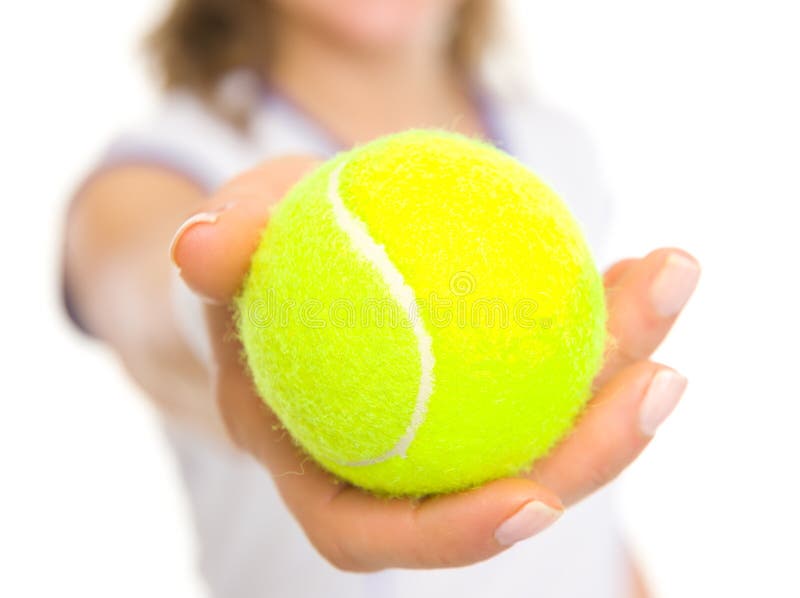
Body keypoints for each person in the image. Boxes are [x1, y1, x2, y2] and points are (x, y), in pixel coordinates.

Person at [62, 1, 700, 596]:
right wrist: (216, 307)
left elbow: (588, 531)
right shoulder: (167, 159)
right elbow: (139, 289)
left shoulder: (557, 141)